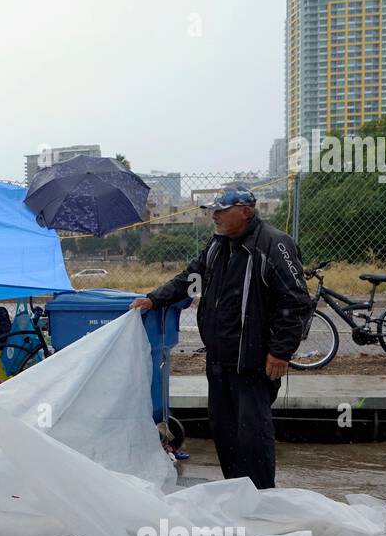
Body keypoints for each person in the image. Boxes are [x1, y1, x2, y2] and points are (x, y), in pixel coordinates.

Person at [131, 187, 311, 491]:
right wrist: (153, 299)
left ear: (245, 211)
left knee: (252, 435)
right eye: (212, 210)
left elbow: (296, 302)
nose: (214, 216)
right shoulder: (217, 246)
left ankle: (262, 498)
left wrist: (280, 352)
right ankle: (237, 494)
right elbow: (191, 278)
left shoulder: (273, 244)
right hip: (219, 360)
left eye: (220, 210)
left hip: (253, 364)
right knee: (224, 432)